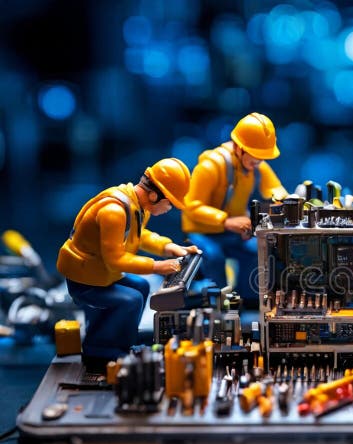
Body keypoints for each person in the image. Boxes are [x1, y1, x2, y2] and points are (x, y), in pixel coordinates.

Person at [57, 158, 198, 365]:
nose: (170, 208)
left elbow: (139, 236)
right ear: (154, 195)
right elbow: (115, 259)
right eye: (170, 203)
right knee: (131, 300)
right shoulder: (114, 211)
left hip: (101, 273)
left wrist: (168, 247)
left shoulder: (138, 207)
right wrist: (157, 267)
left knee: (141, 287)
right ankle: (100, 350)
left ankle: (124, 342)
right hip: (85, 279)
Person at [182, 113, 288, 303]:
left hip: (232, 231)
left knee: (257, 251)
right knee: (214, 258)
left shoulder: (255, 164)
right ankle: (218, 304)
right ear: (239, 148)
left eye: (261, 159)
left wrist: (287, 202)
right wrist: (226, 221)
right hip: (202, 231)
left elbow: (275, 189)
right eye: (255, 158)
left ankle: (246, 301)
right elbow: (191, 207)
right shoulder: (211, 166)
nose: (258, 164)